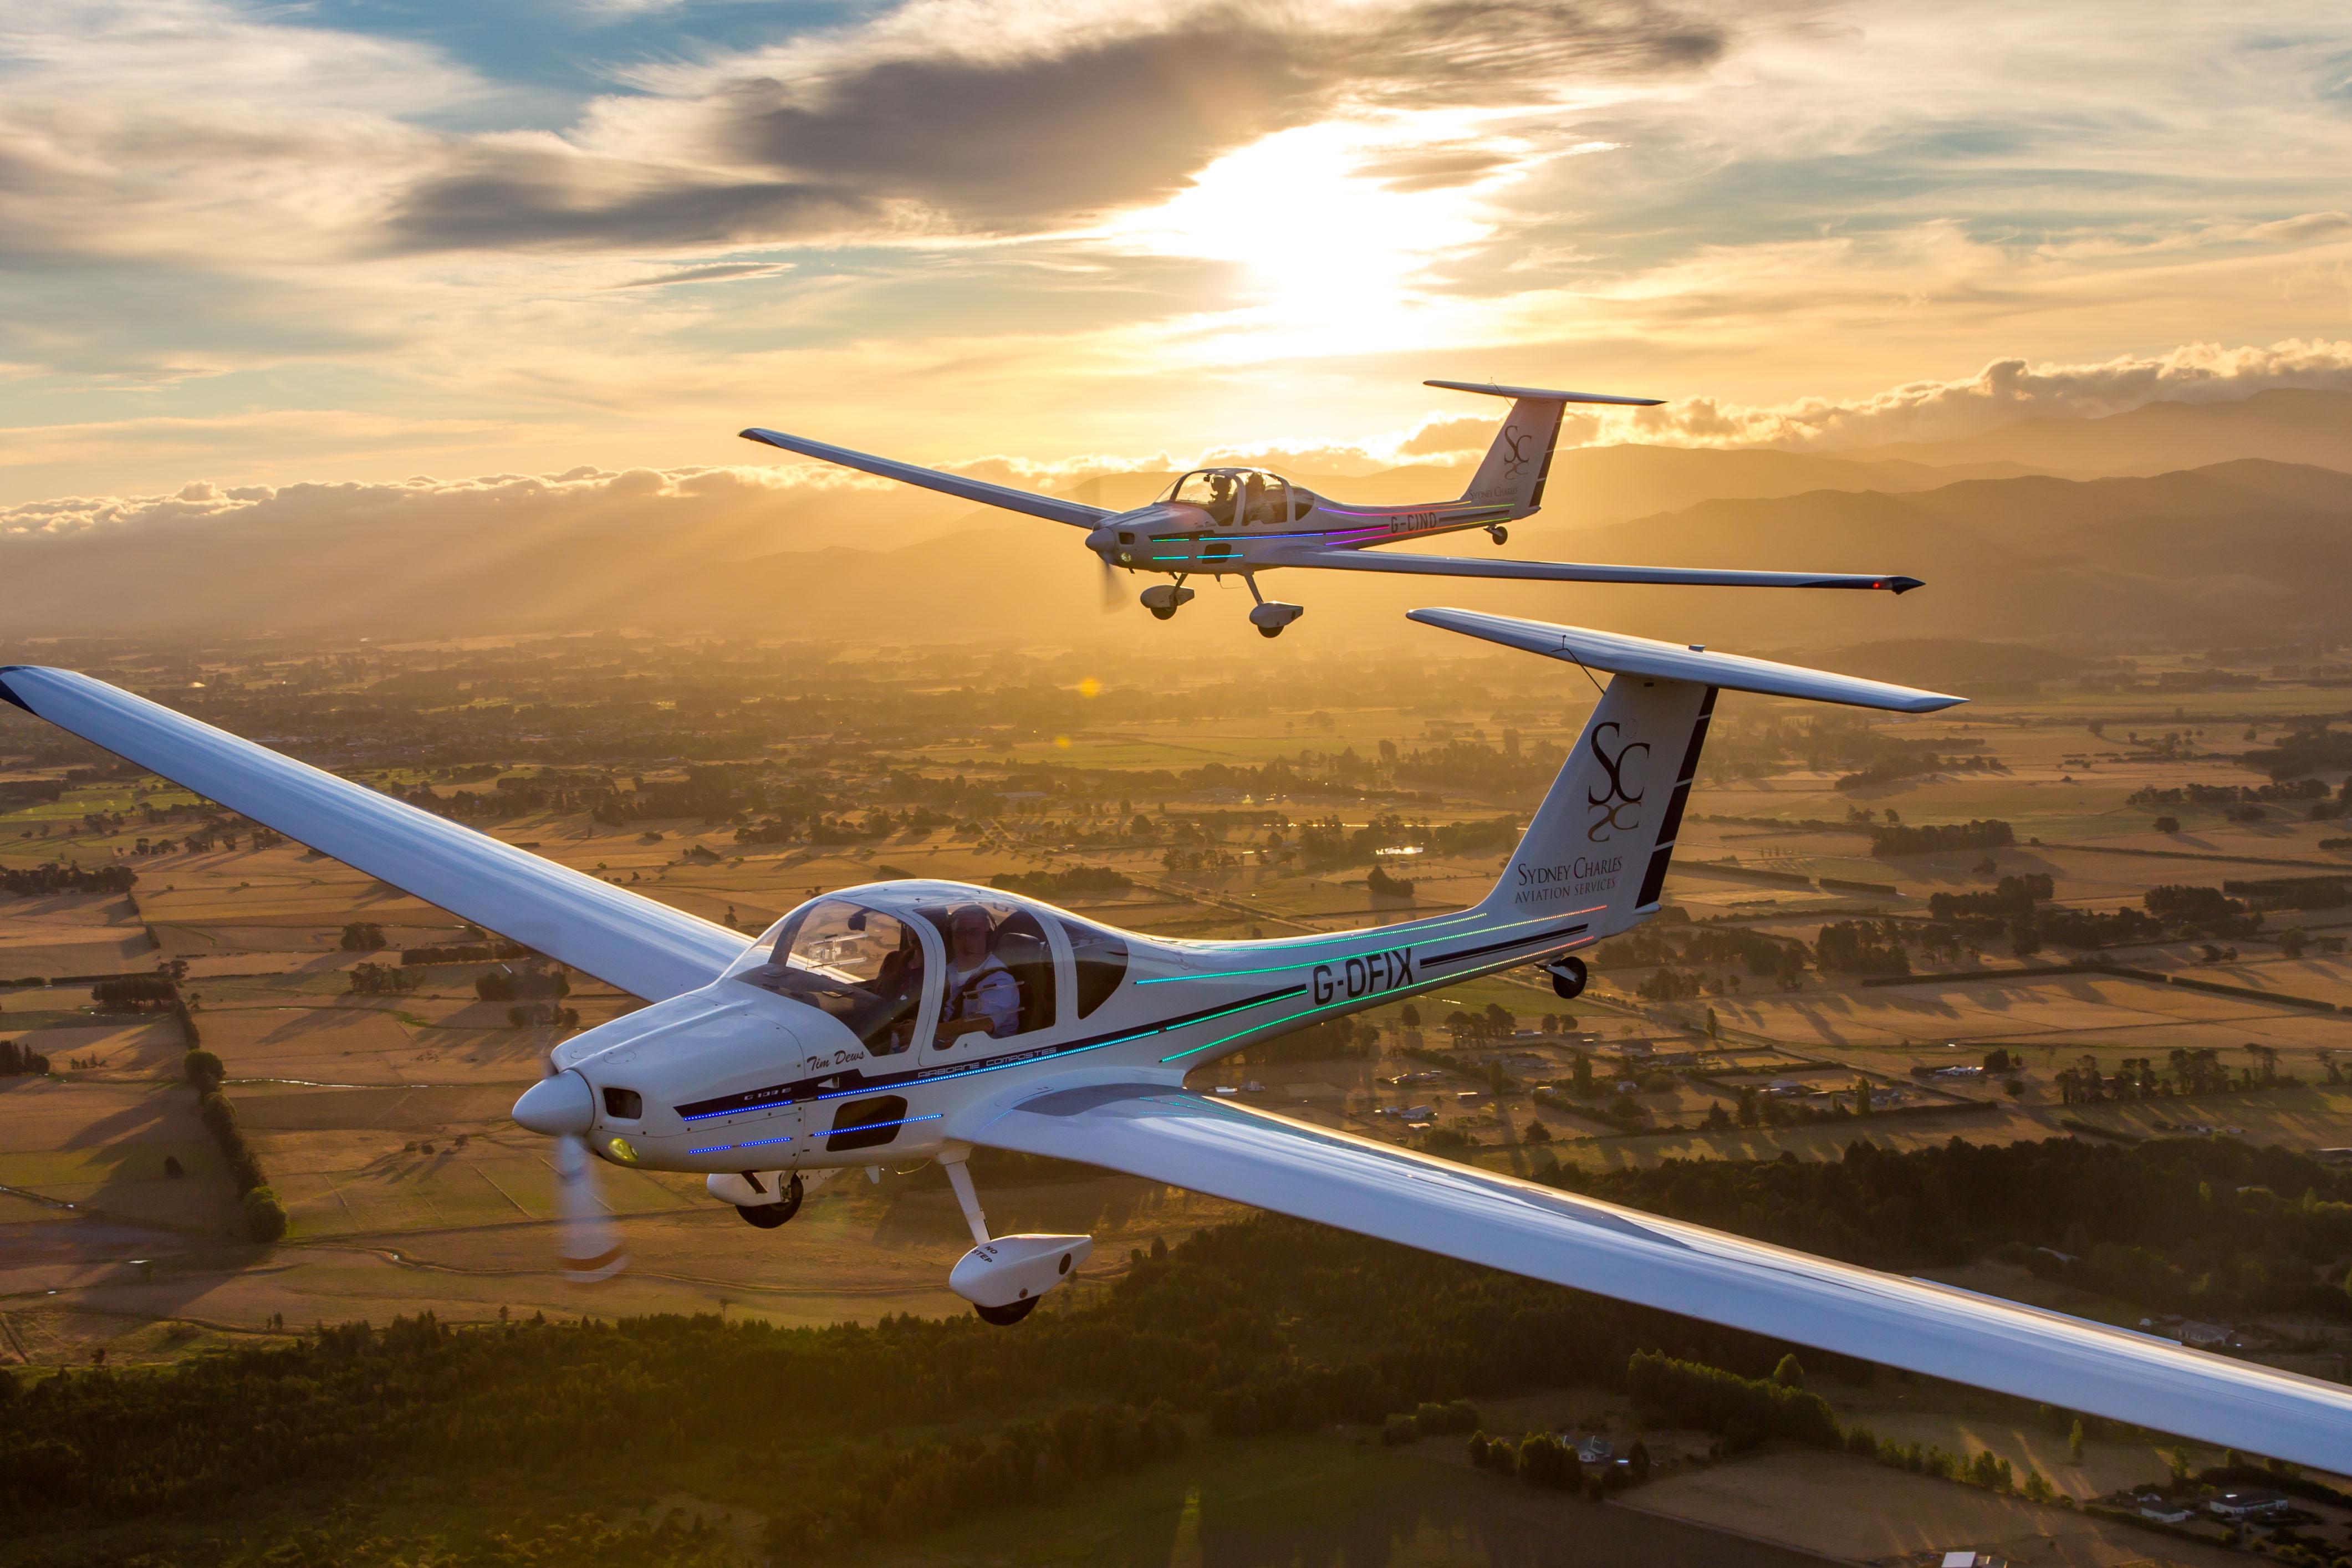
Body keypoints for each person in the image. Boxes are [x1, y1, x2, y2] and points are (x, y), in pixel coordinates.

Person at [937, 905, 1019, 1047]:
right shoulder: (946, 971)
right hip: (947, 1048)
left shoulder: (999, 979)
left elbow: (984, 1023)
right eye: (960, 934)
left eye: (974, 934)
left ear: (988, 939)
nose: (966, 941)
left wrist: (926, 1032)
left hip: (984, 1056)